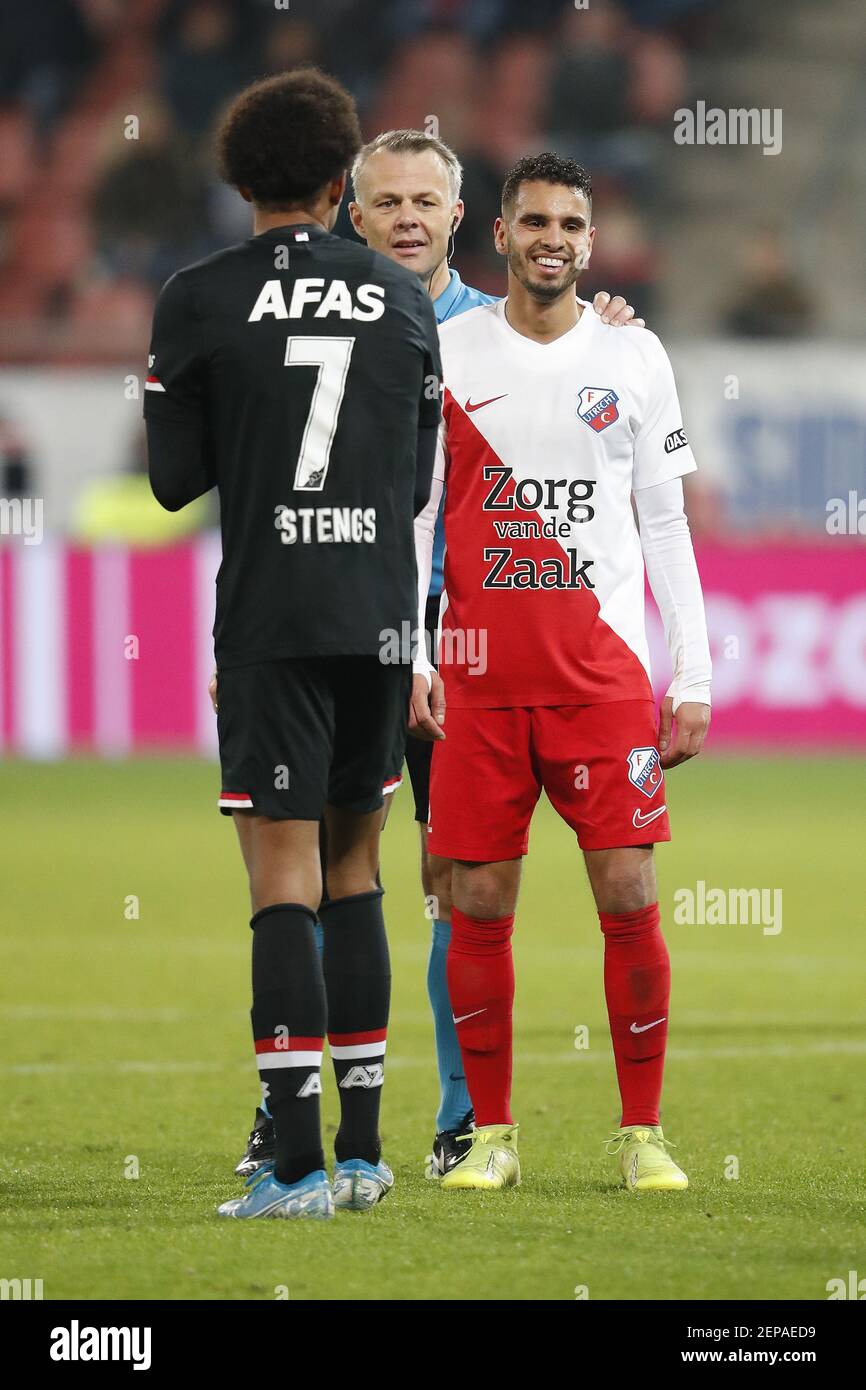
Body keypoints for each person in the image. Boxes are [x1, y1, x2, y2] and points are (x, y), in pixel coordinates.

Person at [225, 127, 646, 1185]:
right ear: (347, 212)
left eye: (425, 200)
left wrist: (603, 327)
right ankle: (291, 1113)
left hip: (460, 650)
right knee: (319, 876)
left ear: (461, 219)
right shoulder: (313, 323)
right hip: (337, 632)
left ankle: (461, 1118)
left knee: (447, 887)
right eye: (385, 201)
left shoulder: (495, 329)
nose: (407, 217)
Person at [145, 69, 442, 1220]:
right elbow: (411, 475)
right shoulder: (400, 297)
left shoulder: (197, 296)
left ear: (235, 180)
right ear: (339, 182)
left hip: (271, 615)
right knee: (358, 869)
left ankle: (293, 1168)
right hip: (375, 612)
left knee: (282, 880)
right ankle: (364, 1155)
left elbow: (174, 481)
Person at [410, 152, 712, 1193]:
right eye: (532, 219)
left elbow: (664, 524)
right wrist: (413, 651)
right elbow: (415, 521)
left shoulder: (634, 356)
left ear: (590, 241)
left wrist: (694, 675)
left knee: (626, 887)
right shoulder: (445, 349)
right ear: (497, 233)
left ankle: (641, 1135)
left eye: (570, 224)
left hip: (603, 681)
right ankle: (489, 1134)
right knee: (476, 898)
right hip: (478, 678)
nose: (552, 238)